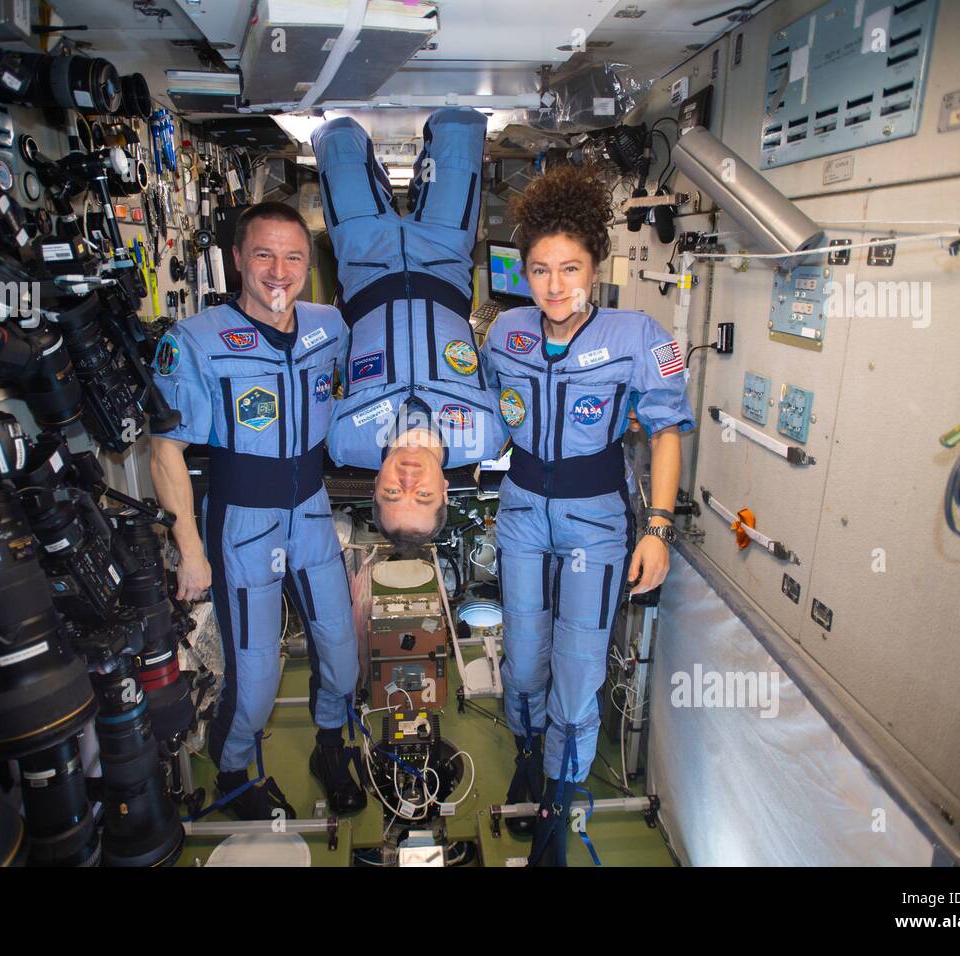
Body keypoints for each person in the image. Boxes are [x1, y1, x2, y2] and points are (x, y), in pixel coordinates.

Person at [483, 164, 694, 865]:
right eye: (539, 269)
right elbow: (480, 415)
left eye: (569, 268)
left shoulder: (637, 335)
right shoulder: (506, 333)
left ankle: (555, 808)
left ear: (596, 267)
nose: (554, 285)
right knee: (523, 663)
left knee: (576, 674)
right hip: (519, 512)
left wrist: (658, 531)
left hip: (595, 520)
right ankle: (527, 749)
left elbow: (665, 431)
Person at [148, 201, 365, 820]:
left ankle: (330, 745)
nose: (279, 270)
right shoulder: (195, 340)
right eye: (264, 254)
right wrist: (190, 548)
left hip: (312, 509)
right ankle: (235, 772)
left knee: (341, 652)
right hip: (243, 520)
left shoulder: (330, 326)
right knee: (257, 679)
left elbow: (364, 388)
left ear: (307, 265)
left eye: (293, 256)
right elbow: (166, 452)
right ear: (238, 258)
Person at [313, 108, 505, 551]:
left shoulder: (343, 441)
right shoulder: (488, 434)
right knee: (460, 127)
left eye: (392, 493)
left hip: (364, 264)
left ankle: (375, 179)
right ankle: (426, 179)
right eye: (422, 495)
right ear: (444, 491)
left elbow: (327, 363)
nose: (408, 479)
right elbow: (502, 365)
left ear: (375, 484)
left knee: (335, 133)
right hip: (445, 259)